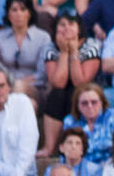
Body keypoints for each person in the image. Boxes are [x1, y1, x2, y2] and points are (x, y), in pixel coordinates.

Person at [40, 9, 102, 157]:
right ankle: (50, 147)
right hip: (60, 92)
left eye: (71, 24)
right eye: (62, 24)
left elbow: (80, 83)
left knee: (74, 94)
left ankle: (75, 146)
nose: (67, 28)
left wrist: (73, 52)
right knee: (57, 94)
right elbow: (58, 83)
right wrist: (63, 52)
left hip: (86, 90)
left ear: (79, 27)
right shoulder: (50, 47)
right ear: (55, 28)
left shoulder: (91, 45)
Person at [0, 0, 51, 99]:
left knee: (18, 87)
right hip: (4, 88)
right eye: (14, 10)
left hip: (35, 88)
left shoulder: (43, 37)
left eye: (23, 9)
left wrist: (15, 84)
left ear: (29, 13)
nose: (18, 14)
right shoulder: (0, 37)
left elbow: (42, 74)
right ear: (8, 14)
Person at [40, 127, 104, 176]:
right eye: (69, 143)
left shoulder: (94, 170)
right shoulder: (51, 171)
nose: (73, 147)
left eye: (78, 143)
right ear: (61, 148)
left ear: (82, 150)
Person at [63, 82, 114, 165]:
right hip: (81, 167)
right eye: (84, 103)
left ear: (102, 102)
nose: (89, 106)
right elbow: (67, 150)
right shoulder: (70, 121)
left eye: (94, 102)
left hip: (110, 166)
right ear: (77, 105)